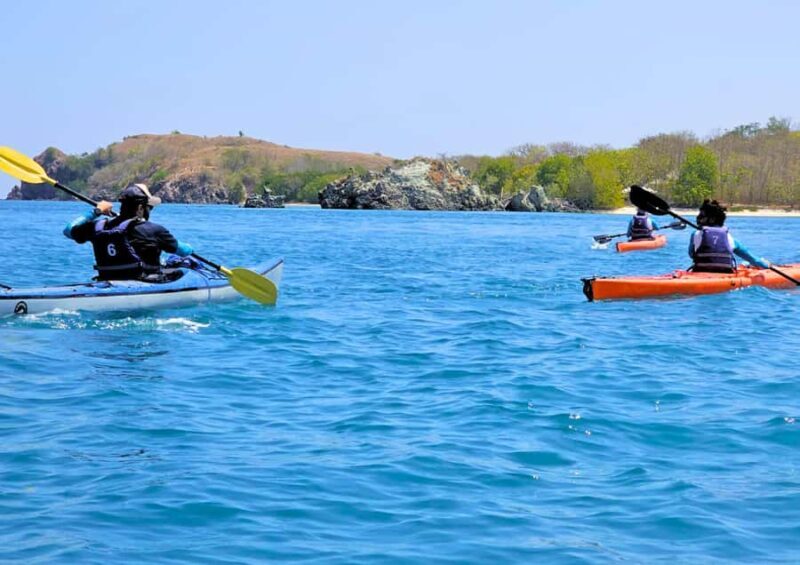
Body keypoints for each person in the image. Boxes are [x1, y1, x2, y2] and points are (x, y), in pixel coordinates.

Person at [63, 183, 193, 281]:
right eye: (149, 208)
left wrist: (96, 211)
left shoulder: (98, 226)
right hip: (144, 281)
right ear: (141, 208)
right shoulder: (154, 230)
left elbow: (68, 230)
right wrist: (188, 247)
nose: (149, 211)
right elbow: (184, 251)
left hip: (107, 279)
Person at [689, 199, 768, 273]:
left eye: (702, 215)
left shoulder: (695, 234)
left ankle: (745, 264)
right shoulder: (730, 239)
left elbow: (691, 255)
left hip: (700, 272)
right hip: (725, 273)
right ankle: (746, 264)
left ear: (712, 219)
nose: (698, 217)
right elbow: (754, 260)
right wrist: (768, 266)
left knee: (745, 263)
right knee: (748, 262)